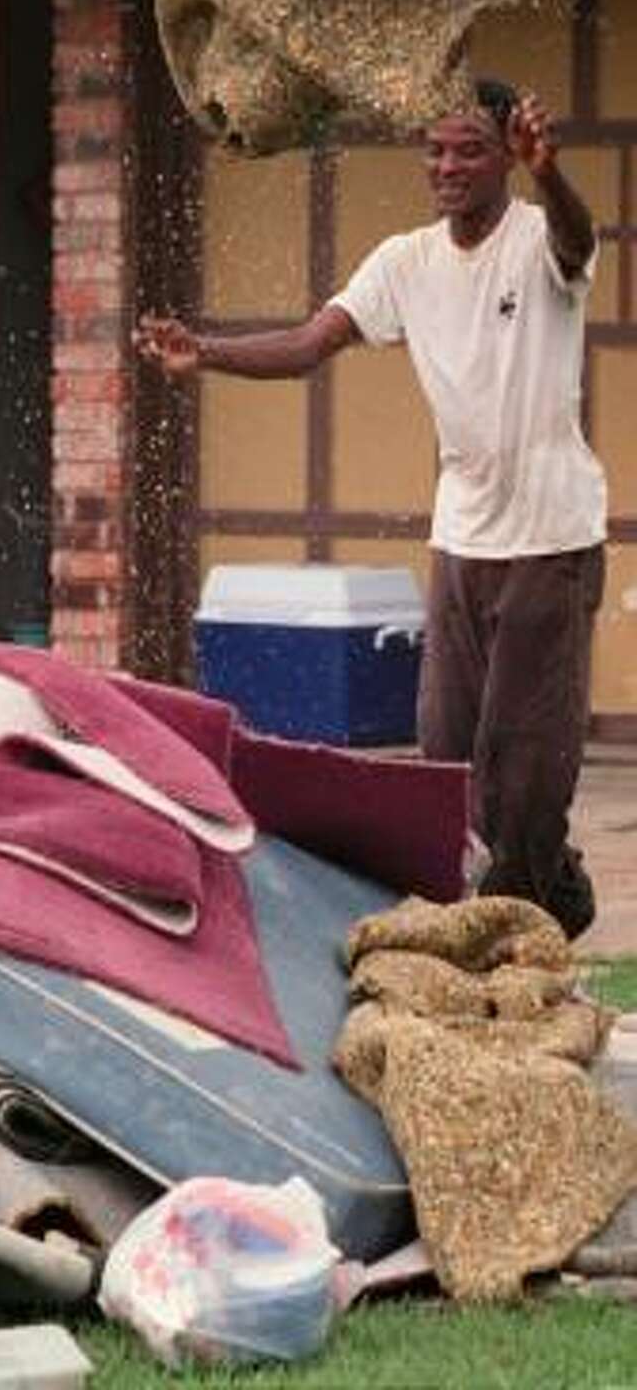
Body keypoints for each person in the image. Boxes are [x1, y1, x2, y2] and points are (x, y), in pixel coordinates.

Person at [134, 80, 606, 940]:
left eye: (469, 149)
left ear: (507, 154)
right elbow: (312, 342)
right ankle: (553, 895)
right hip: (463, 538)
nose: (447, 165)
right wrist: (203, 351)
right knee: (449, 758)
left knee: (527, 774)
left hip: (552, 538)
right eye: (435, 149)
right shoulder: (405, 261)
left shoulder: (541, 238)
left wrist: (554, 174)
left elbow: (578, 238)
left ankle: (523, 934)